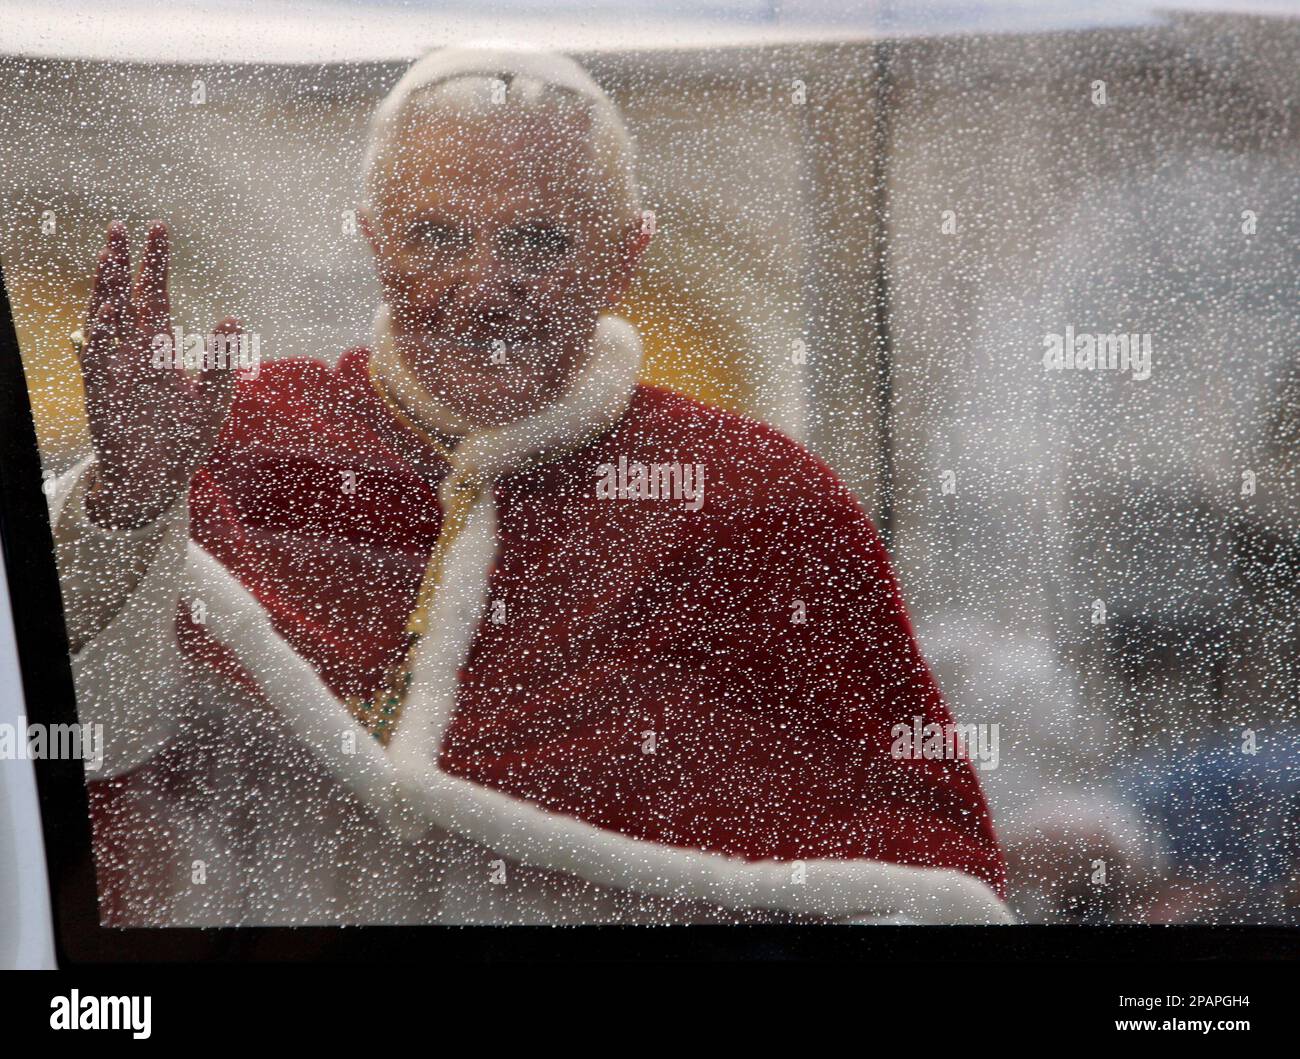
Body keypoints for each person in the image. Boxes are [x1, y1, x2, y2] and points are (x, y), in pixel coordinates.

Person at [49, 42, 1010, 925]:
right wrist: (129, 503)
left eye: (540, 242)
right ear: (376, 240)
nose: (486, 282)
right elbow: (95, 749)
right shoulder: (242, 442)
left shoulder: (755, 499)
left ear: (627, 255)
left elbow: (911, 871)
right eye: (436, 234)